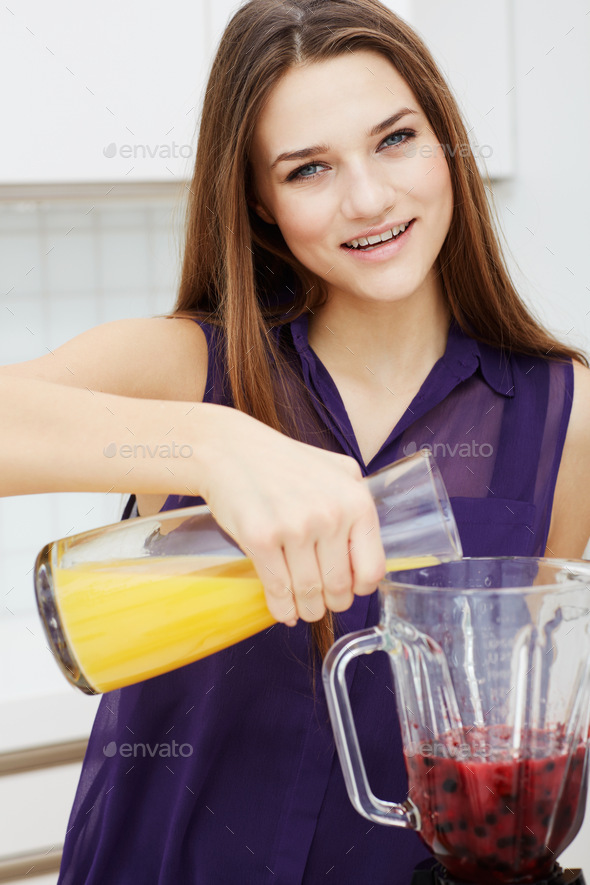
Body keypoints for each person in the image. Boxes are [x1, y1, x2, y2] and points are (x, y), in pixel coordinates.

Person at [2, 0, 590, 881]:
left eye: (396, 139)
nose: (369, 197)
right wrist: (209, 443)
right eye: (309, 168)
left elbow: (512, 715)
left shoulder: (562, 413)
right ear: (261, 203)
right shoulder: (184, 367)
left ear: (447, 146)